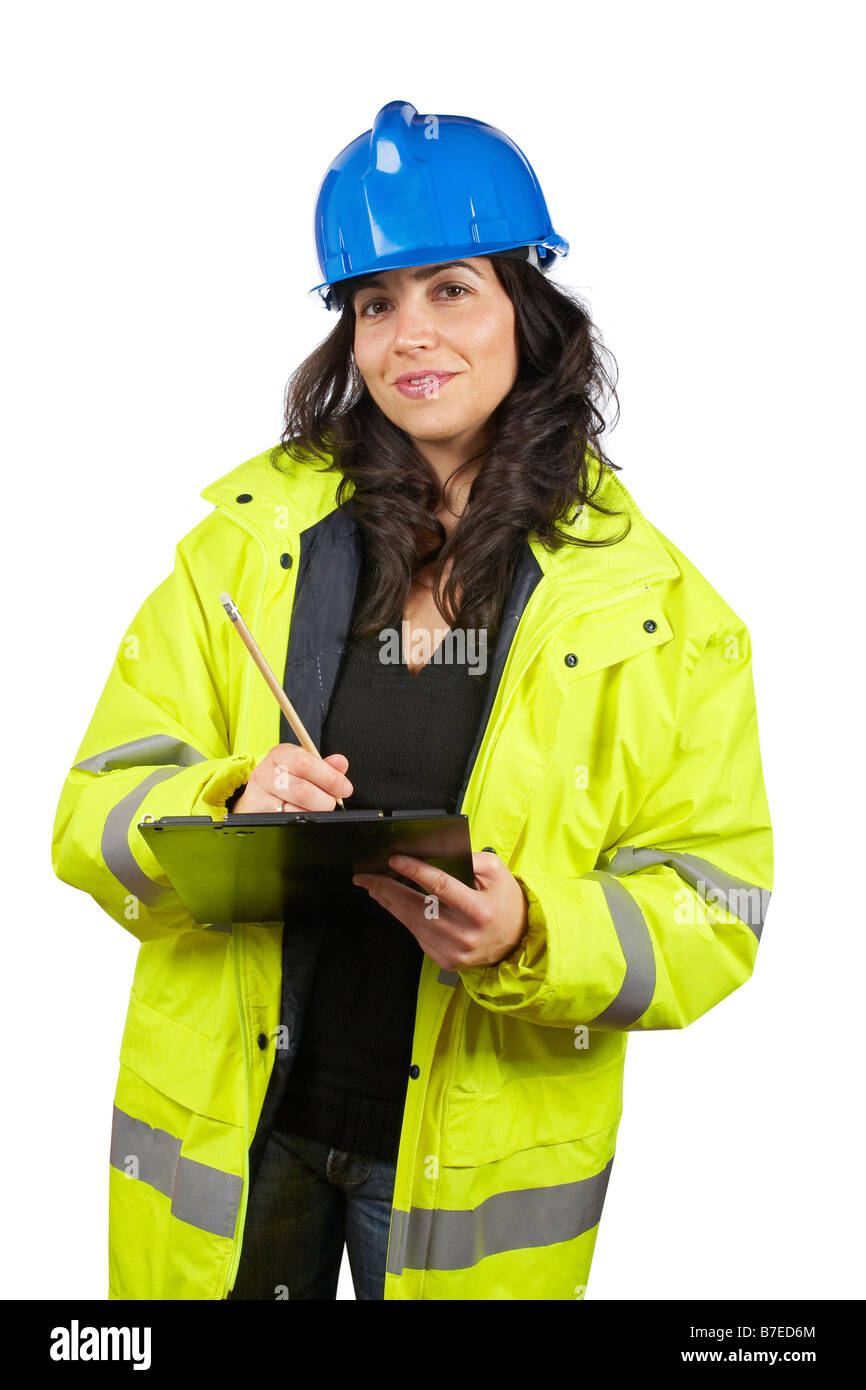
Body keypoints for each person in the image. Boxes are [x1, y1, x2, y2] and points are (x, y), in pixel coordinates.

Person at [51, 100, 773, 1302]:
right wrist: (225, 795)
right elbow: (90, 815)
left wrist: (533, 929)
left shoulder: (658, 614)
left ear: (526, 312)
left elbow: (715, 906)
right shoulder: (240, 555)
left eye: (449, 289)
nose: (406, 336)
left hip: (463, 1169)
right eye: (373, 301)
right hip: (240, 1135)